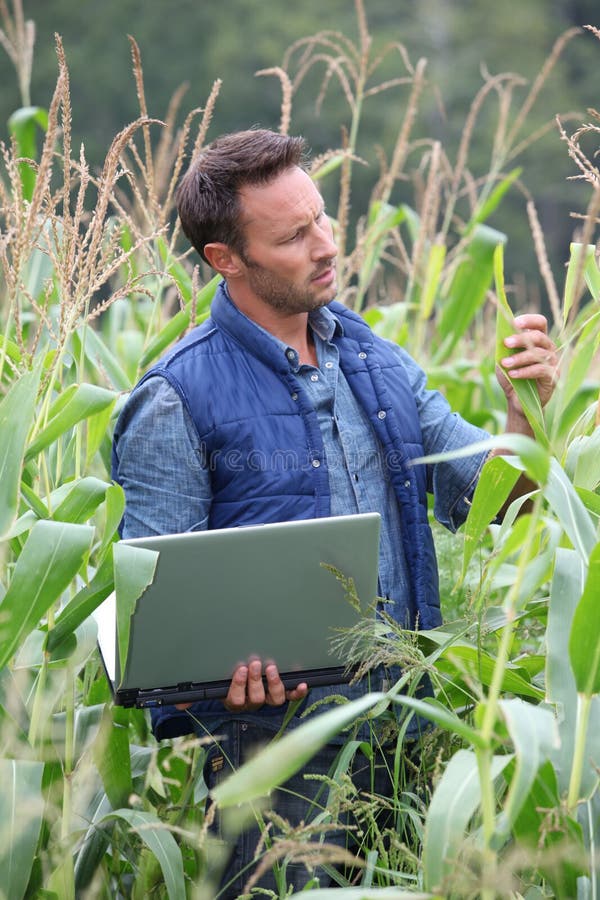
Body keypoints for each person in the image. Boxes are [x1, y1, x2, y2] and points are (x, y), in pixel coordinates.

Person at [112, 129, 558, 896]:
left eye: (321, 218)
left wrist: (527, 421)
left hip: (407, 730)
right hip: (279, 761)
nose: (325, 244)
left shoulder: (376, 359)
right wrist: (224, 681)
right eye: (294, 235)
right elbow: (151, 626)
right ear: (227, 259)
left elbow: (486, 504)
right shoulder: (174, 400)